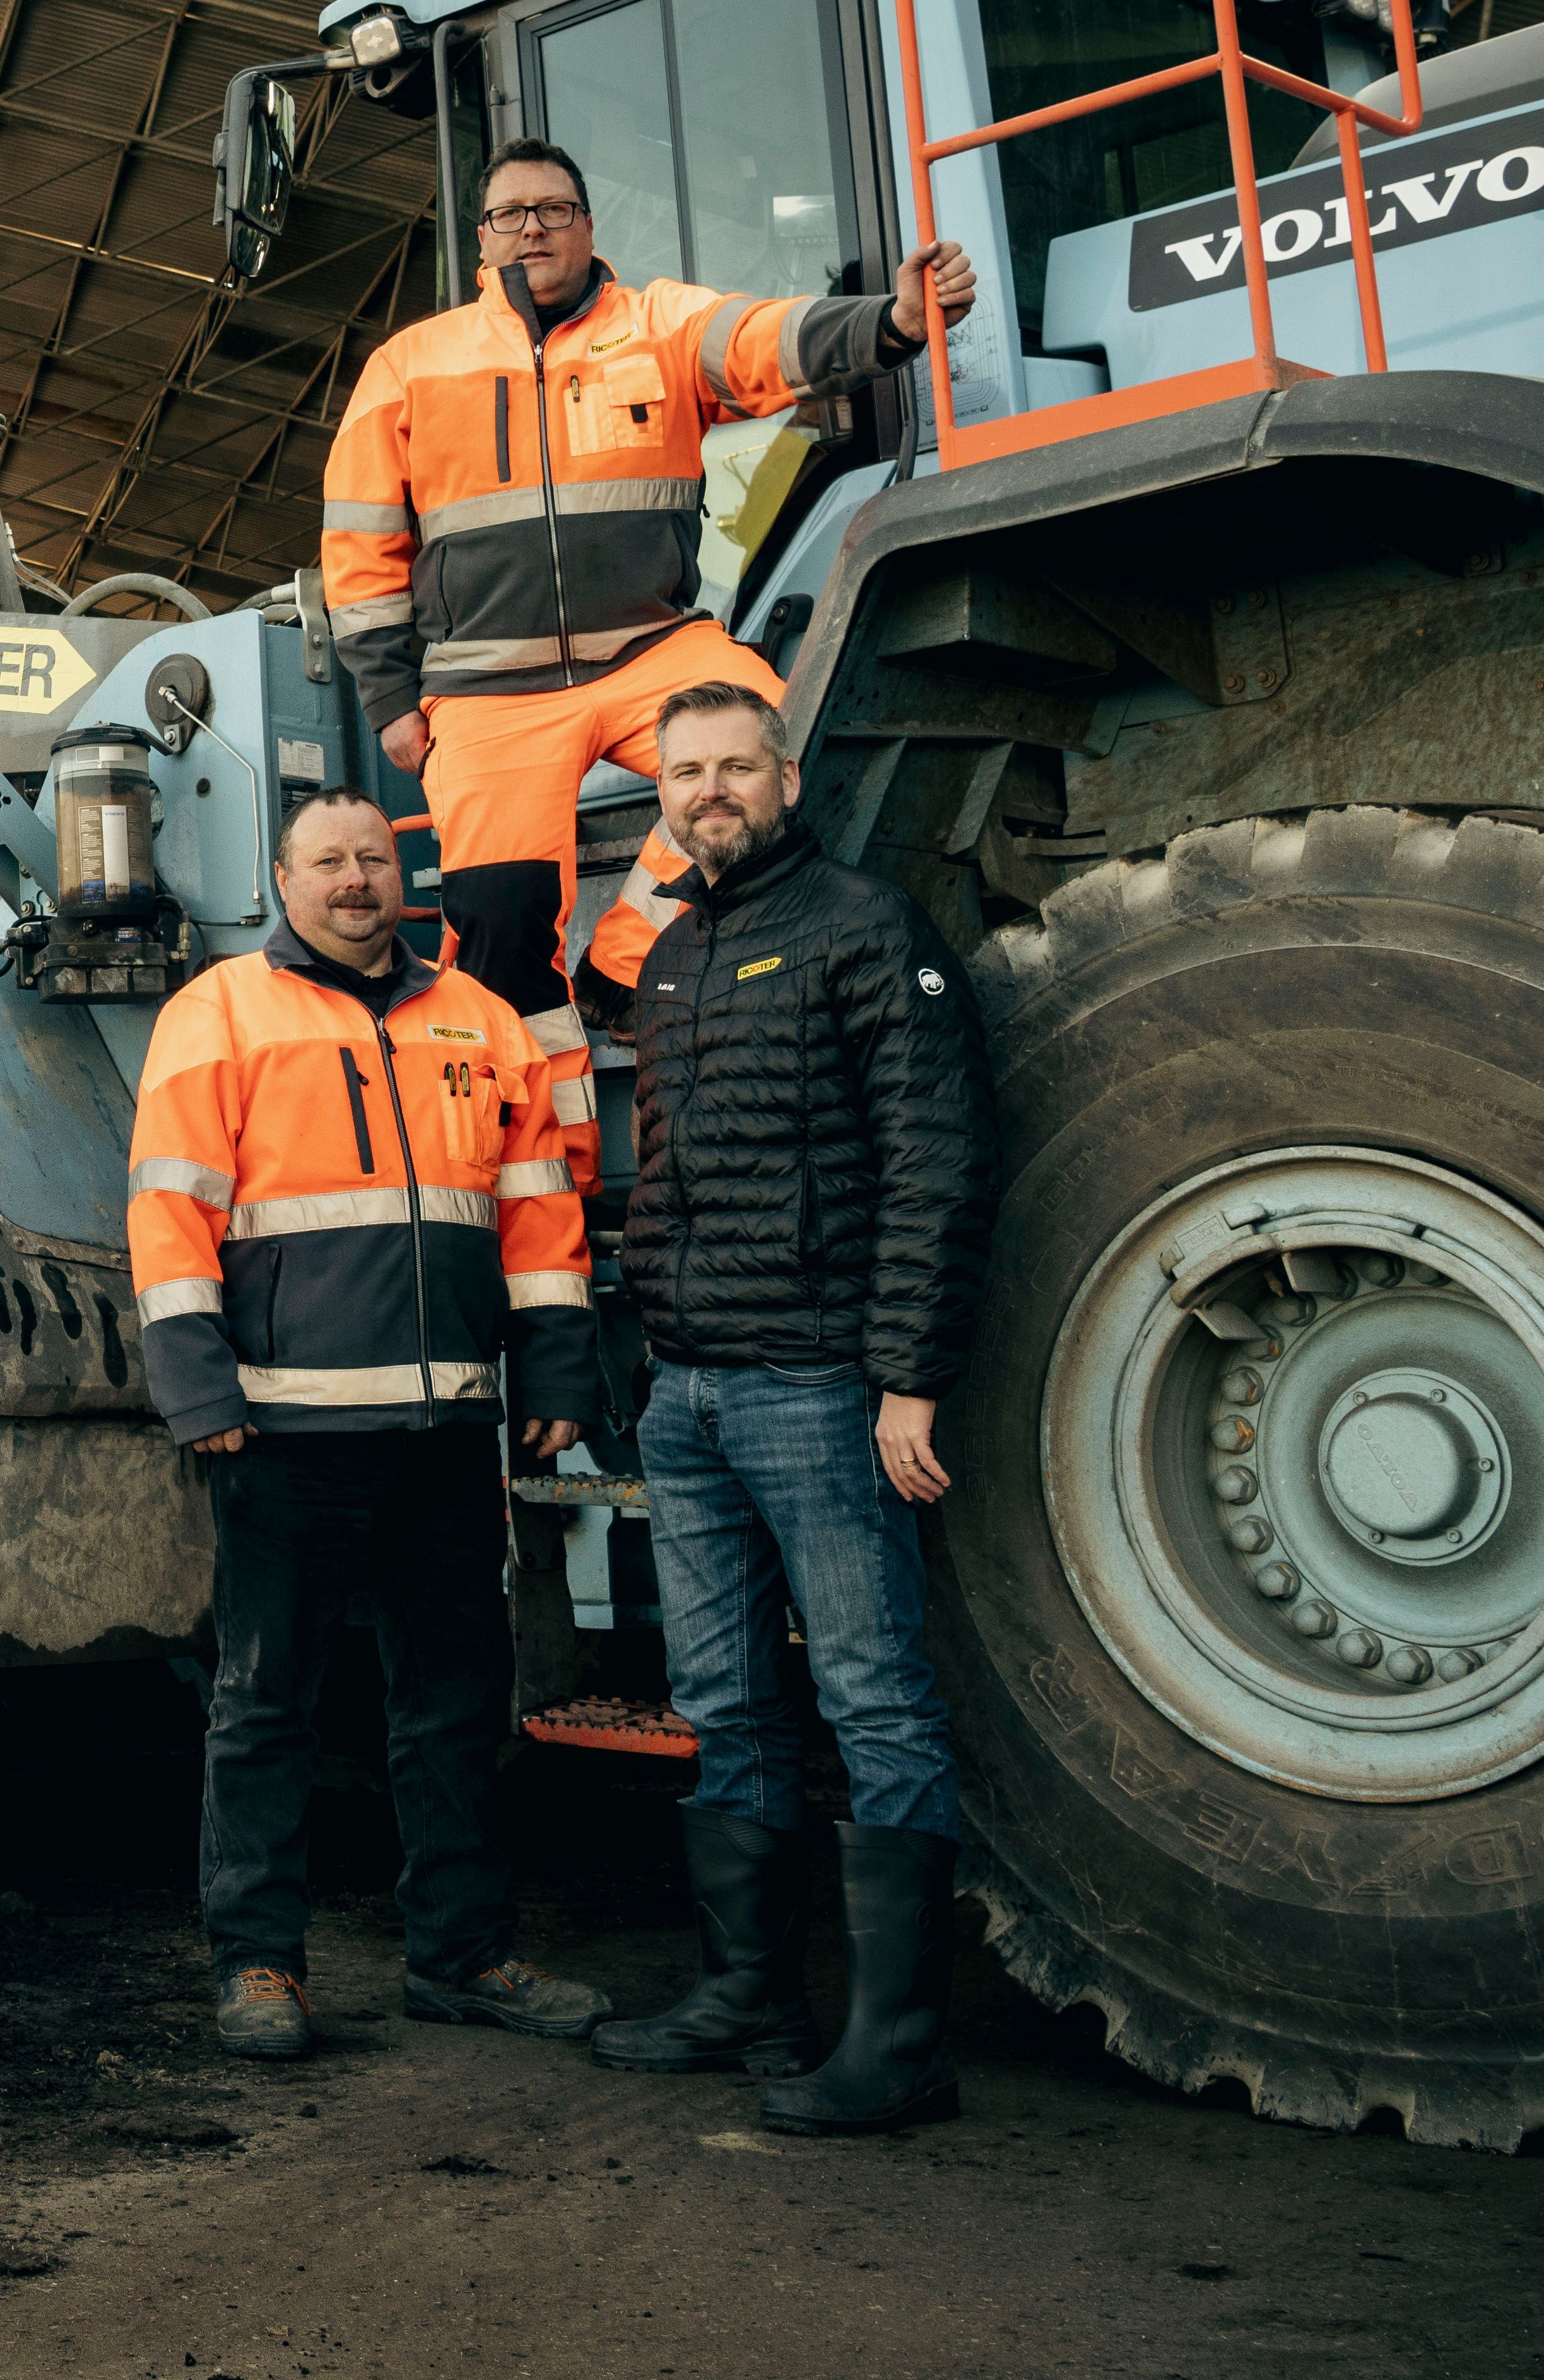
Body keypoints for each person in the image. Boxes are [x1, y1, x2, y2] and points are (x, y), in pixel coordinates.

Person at [314, 138, 975, 1164]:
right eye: (511, 215)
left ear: (587, 226)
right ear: (483, 242)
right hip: (488, 689)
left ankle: (622, 969)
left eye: (554, 210)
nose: (533, 228)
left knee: (770, 736)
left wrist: (889, 323)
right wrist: (391, 699)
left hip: (648, 652)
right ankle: (547, 1165)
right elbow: (360, 545)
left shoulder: (662, 325)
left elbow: (767, 341)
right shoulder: (409, 364)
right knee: (496, 922)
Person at [126, 783, 605, 2063]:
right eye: (328, 860)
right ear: (282, 885)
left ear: (403, 879)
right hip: (283, 1435)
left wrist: (557, 1373)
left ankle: (460, 1955)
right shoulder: (216, 1015)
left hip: (448, 1430)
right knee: (267, 1701)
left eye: (374, 858)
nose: (355, 879)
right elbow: (169, 1215)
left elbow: (540, 1216)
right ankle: (260, 1966)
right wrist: (199, 1388)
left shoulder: (481, 1020)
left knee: (455, 1702)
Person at [582, 680, 996, 2135]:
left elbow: (933, 1163)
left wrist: (908, 1376)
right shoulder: (677, 957)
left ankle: (899, 2050)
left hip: (821, 1389)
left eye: (733, 768)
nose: (708, 791)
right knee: (725, 1699)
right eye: (685, 772)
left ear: (787, 777)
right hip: (688, 1391)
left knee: (873, 1697)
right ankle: (752, 1993)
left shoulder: (865, 930)